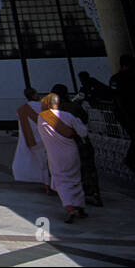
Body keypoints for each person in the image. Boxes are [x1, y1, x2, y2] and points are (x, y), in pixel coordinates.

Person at [38, 92, 89, 223]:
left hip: (55, 155)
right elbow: (83, 132)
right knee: (76, 179)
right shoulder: (69, 116)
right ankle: (80, 207)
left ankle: (70, 207)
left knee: (61, 181)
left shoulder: (42, 117)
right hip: (71, 151)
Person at [52, 83, 100, 204]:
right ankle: (94, 192)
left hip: (63, 144)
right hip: (81, 142)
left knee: (70, 171)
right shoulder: (74, 107)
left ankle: (73, 196)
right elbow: (84, 119)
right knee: (88, 168)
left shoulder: (52, 110)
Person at [109, 55, 135, 178]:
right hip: (128, 112)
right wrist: (126, 114)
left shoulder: (122, 78)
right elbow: (118, 97)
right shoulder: (121, 78)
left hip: (130, 111)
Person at [12, 87, 48, 189]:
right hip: (45, 138)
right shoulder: (44, 107)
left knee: (36, 162)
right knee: (47, 163)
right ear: (34, 95)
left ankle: (42, 182)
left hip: (29, 139)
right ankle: (48, 184)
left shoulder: (21, 109)